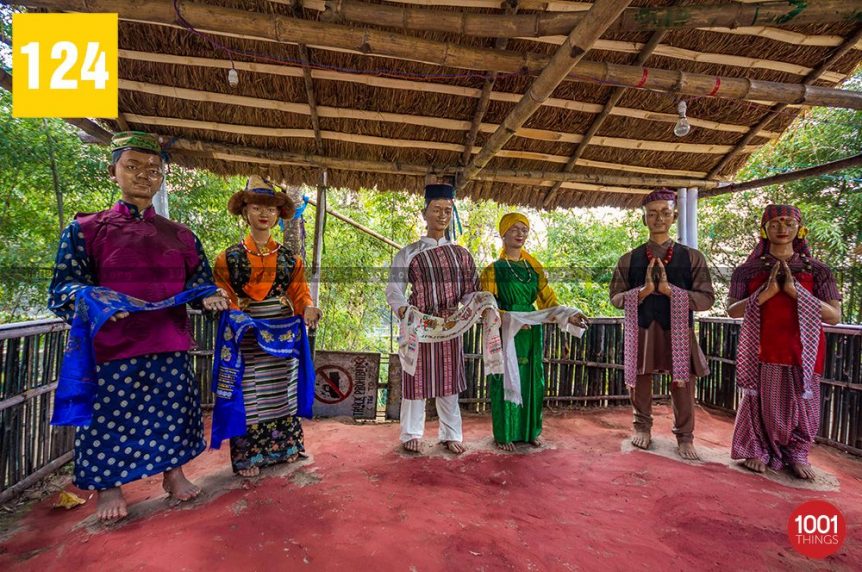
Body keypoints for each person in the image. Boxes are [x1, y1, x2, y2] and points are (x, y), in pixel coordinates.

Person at [48, 131, 229, 521]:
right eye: (133, 166)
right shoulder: (85, 229)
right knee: (109, 418)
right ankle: (109, 486)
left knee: (172, 412)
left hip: (169, 339)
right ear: (112, 170)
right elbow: (64, 288)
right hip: (112, 344)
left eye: (153, 169)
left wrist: (210, 297)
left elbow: (199, 283)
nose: (145, 175)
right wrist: (98, 302)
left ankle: (173, 473)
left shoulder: (182, 235)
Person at [213, 176, 322, 477]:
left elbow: (300, 294)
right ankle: (249, 456)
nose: (264, 214)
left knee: (282, 389)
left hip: (282, 330)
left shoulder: (290, 258)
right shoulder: (228, 257)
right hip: (247, 331)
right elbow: (225, 295)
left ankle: (286, 447)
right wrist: (240, 319)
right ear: (245, 212)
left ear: (278, 215)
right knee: (250, 391)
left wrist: (308, 308)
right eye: (257, 207)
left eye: (271, 209)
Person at [727, 205, 842, 479]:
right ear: (764, 229)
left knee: (804, 404)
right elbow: (732, 310)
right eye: (775, 223)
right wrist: (766, 294)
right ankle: (756, 450)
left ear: (799, 229)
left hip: (803, 349)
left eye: (789, 223)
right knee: (759, 402)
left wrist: (795, 292)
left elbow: (834, 315)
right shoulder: (746, 270)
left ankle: (797, 453)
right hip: (761, 347)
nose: (782, 228)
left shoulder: (817, 270)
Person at [609, 188, 714, 460]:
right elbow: (615, 298)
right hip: (642, 328)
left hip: (679, 330)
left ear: (674, 216)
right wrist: (643, 292)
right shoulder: (628, 259)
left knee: (683, 383)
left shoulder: (693, 258)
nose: (659, 219)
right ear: (644, 219)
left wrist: (670, 292)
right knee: (640, 379)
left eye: (665, 213)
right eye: (652, 213)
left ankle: (685, 436)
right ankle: (642, 427)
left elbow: (707, 299)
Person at [385, 183, 480, 454]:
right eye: (436, 209)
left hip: (450, 326)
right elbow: (394, 290)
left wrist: (478, 306)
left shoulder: (462, 255)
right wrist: (405, 312)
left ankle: (451, 434)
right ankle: (411, 433)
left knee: (449, 380)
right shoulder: (408, 253)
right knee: (415, 377)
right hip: (418, 324)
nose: (442, 215)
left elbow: (470, 293)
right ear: (424, 213)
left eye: (448, 210)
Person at [480, 213, 586, 451]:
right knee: (505, 377)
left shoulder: (534, 269)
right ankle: (505, 434)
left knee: (532, 378)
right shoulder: (492, 270)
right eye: (515, 229)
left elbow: (549, 301)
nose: (520, 234)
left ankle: (531, 431)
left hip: (531, 331)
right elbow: (488, 306)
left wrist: (568, 315)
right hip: (507, 330)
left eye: (524, 230)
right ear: (503, 233)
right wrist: (511, 319)